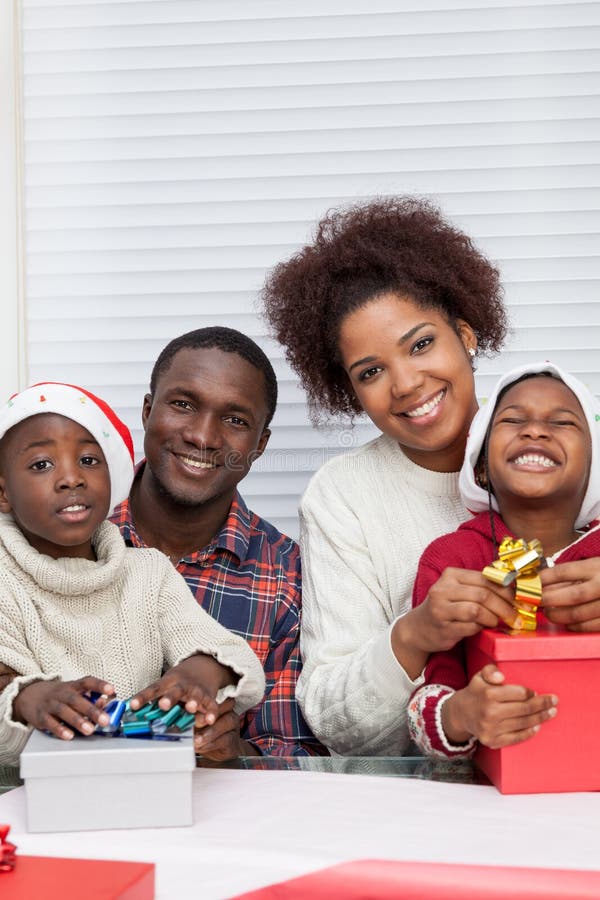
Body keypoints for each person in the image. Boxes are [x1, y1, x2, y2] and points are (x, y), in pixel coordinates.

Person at [262, 195, 600, 756]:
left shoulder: (568, 454)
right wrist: (416, 634)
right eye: (371, 372)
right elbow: (333, 723)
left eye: (421, 344)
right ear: (350, 390)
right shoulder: (342, 496)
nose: (406, 385)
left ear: (465, 334)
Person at [0, 382, 265, 766]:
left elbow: (234, 656)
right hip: (35, 801)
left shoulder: (148, 572)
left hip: (144, 788)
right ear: (3, 493)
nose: (71, 478)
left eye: (89, 461)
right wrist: (29, 699)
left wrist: (201, 672)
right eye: (42, 464)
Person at [110, 327, 325, 759]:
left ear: (260, 444)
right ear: (148, 410)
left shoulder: (290, 576)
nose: (203, 436)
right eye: (184, 404)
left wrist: (235, 753)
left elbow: (296, 756)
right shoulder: (68, 540)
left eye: (235, 420)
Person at [408, 362, 600, 757]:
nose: (535, 430)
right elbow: (432, 690)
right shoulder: (451, 561)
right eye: (513, 420)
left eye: (562, 423)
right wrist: (461, 715)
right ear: (480, 465)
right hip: (494, 800)